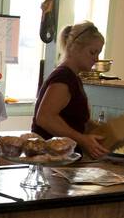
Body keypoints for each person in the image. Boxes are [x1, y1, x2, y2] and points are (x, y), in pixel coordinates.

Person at [32, 21, 108, 158]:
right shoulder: (63, 78)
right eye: (92, 52)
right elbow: (44, 118)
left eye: (98, 53)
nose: (96, 59)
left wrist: (99, 130)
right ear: (74, 47)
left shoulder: (73, 78)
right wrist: (82, 139)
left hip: (62, 159)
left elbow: (71, 119)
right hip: (52, 160)